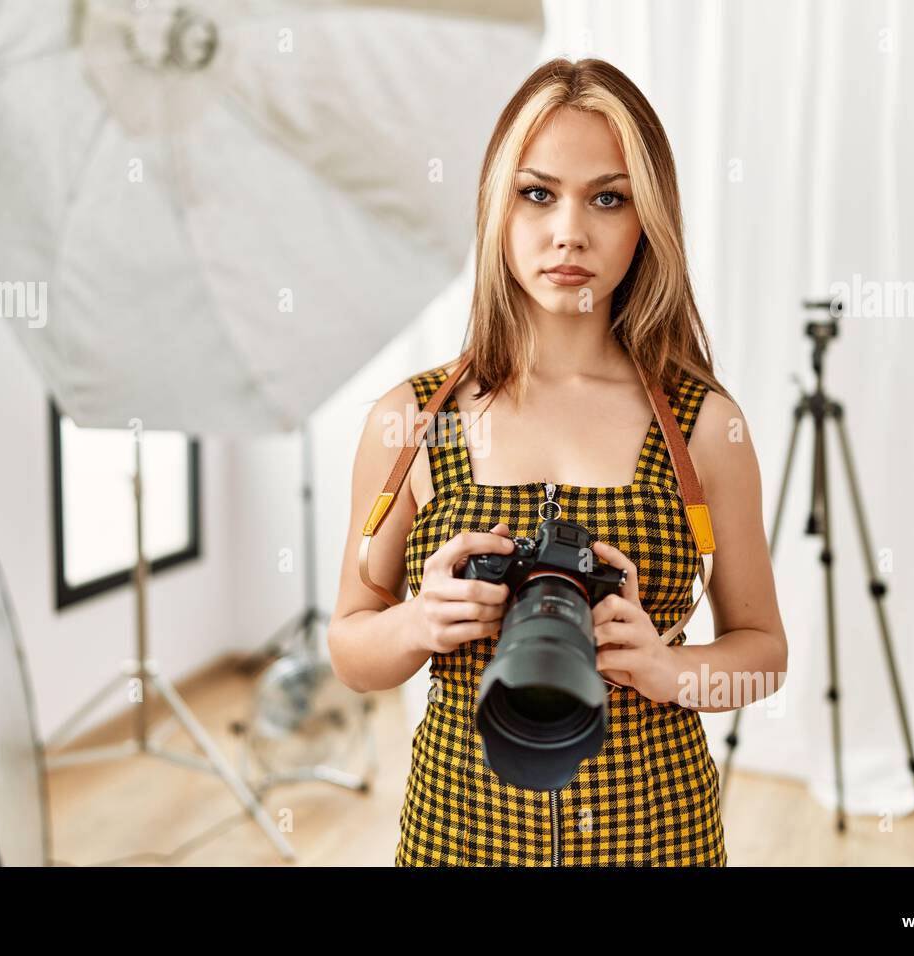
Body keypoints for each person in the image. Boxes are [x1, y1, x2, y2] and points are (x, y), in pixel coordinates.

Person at [327, 57, 787, 866]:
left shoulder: (705, 426)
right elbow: (351, 652)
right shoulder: (411, 421)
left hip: (658, 837)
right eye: (537, 193)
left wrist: (667, 670)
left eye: (607, 197)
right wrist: (418, 621)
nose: (569, 230)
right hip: (457, 837)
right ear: (495, 209)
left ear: (648, 219)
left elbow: (762, 654)